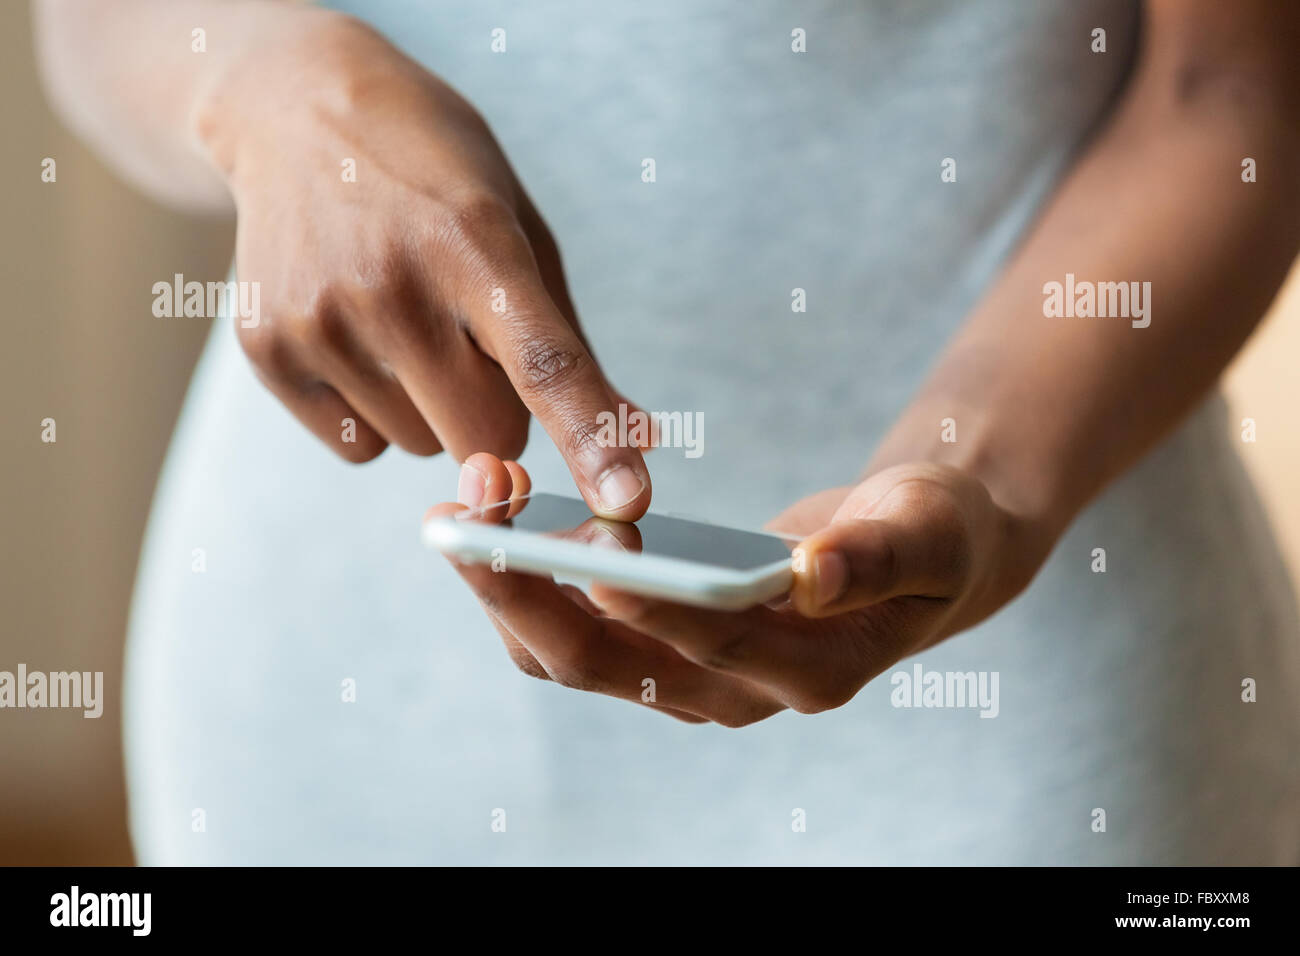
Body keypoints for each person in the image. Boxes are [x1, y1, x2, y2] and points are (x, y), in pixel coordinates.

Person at [35, 0, 1300, 864]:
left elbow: (1231, 82)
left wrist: (986, 474)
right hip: (326, 711)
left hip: (1023, 726)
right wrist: (264, 89)